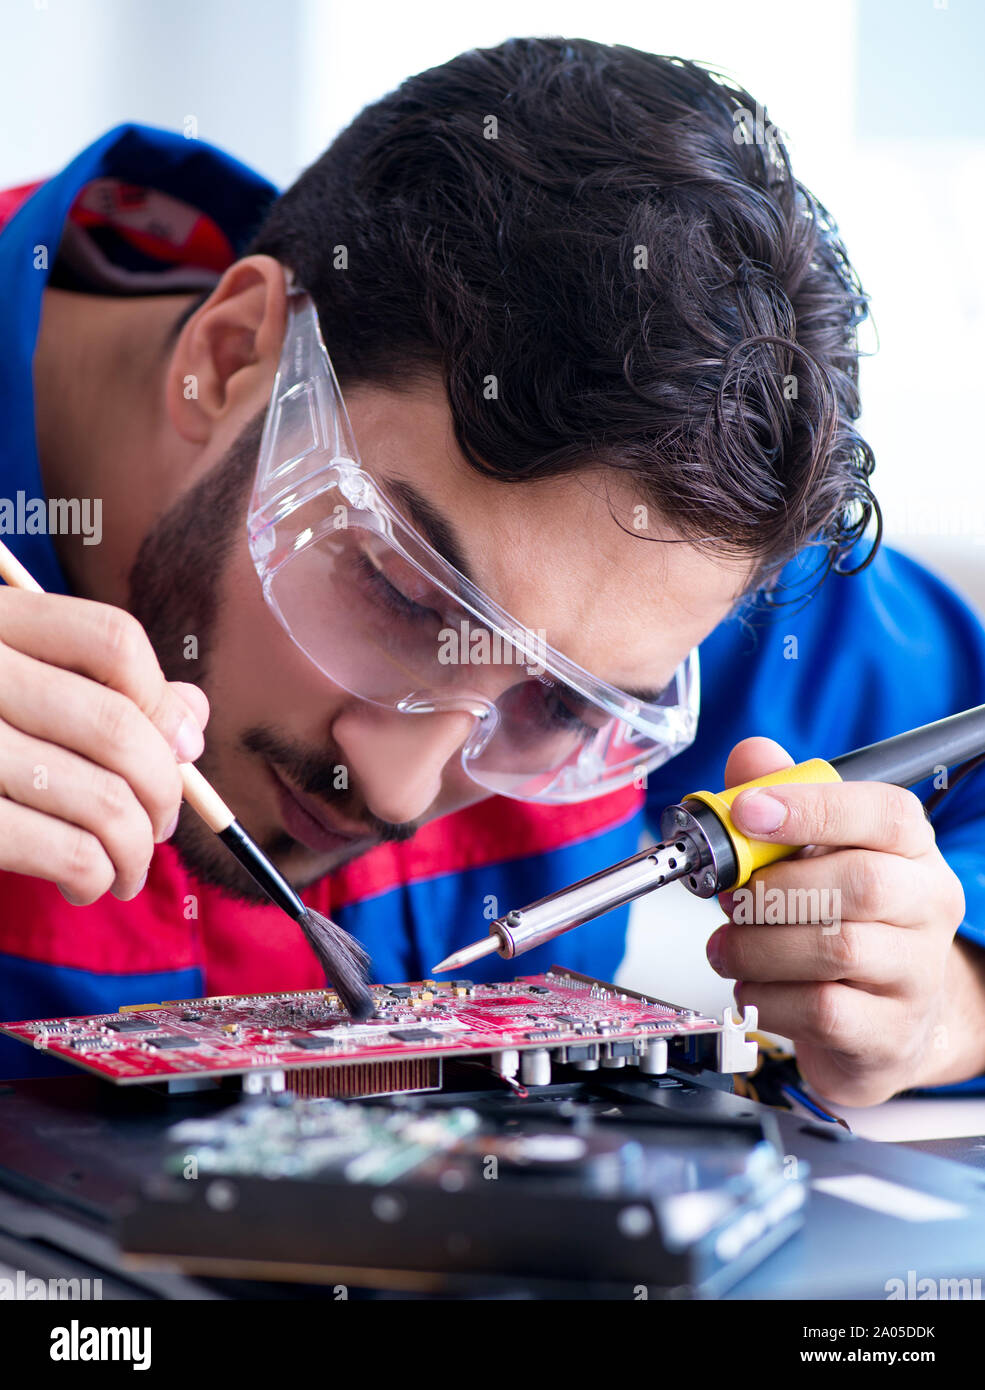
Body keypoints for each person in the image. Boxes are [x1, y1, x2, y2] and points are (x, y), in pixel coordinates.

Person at [1, 38, 983, 1104]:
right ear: (236, 355)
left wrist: (947, 999)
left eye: (563, 708)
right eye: (403, 593)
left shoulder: (662, 563)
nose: (397, 785)